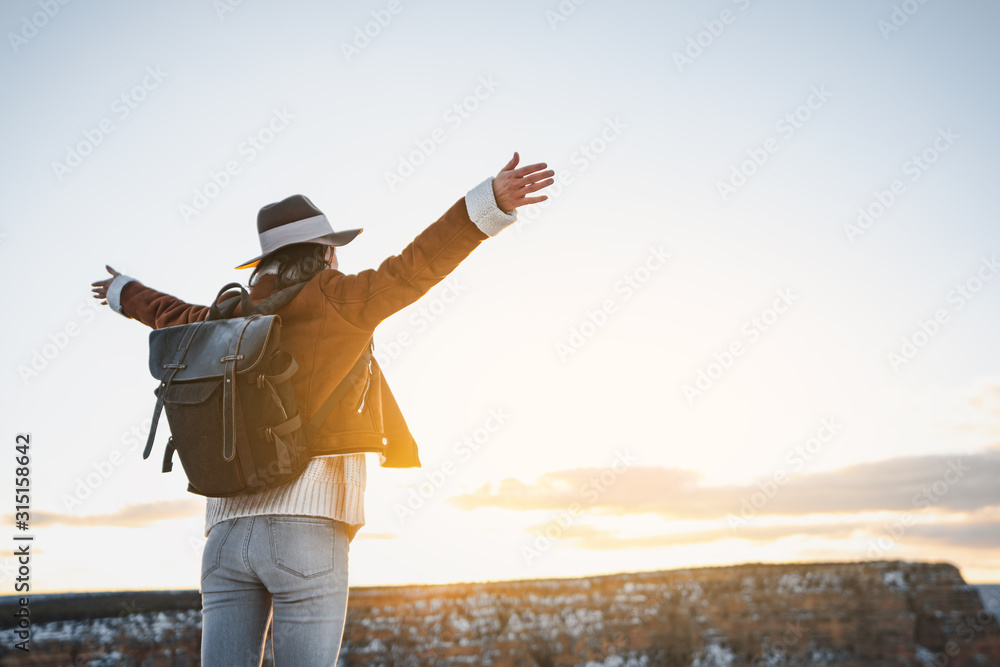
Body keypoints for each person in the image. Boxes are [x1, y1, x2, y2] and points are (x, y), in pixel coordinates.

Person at [91, 152, 554, 666]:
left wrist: (120, 291)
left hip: (222, 536)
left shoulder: (224, 317)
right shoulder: (339, 297)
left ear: (265, 264)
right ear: (325, 254)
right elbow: (415, 267)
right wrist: (487, 203)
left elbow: (167, 314)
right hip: (308, 526)